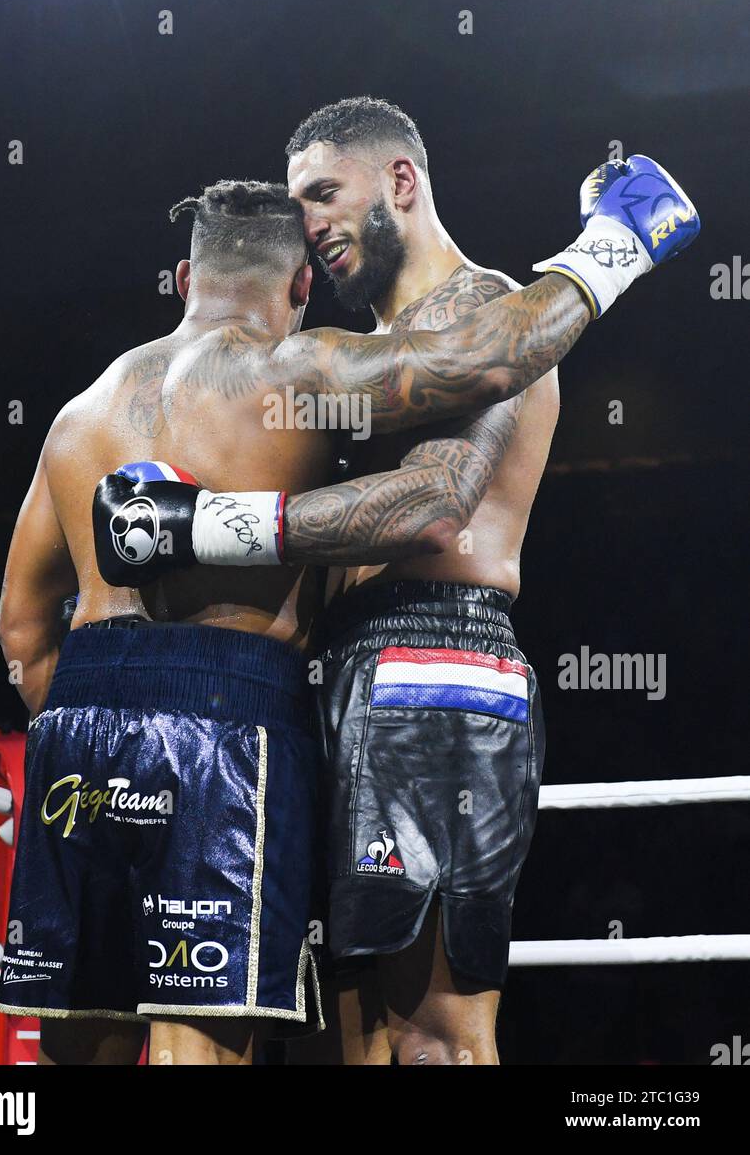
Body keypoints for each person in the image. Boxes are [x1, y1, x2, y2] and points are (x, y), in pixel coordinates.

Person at [103, 103, 699, 1065]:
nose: (310, 225)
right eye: (296, 208)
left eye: (325, 194)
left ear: (402, 182)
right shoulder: (372, 353)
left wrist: (203, 527)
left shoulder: (479, 306)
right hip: (353, 677)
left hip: (436, 660)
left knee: (433, 1037)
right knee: (364, 1039)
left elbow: (434, 505)